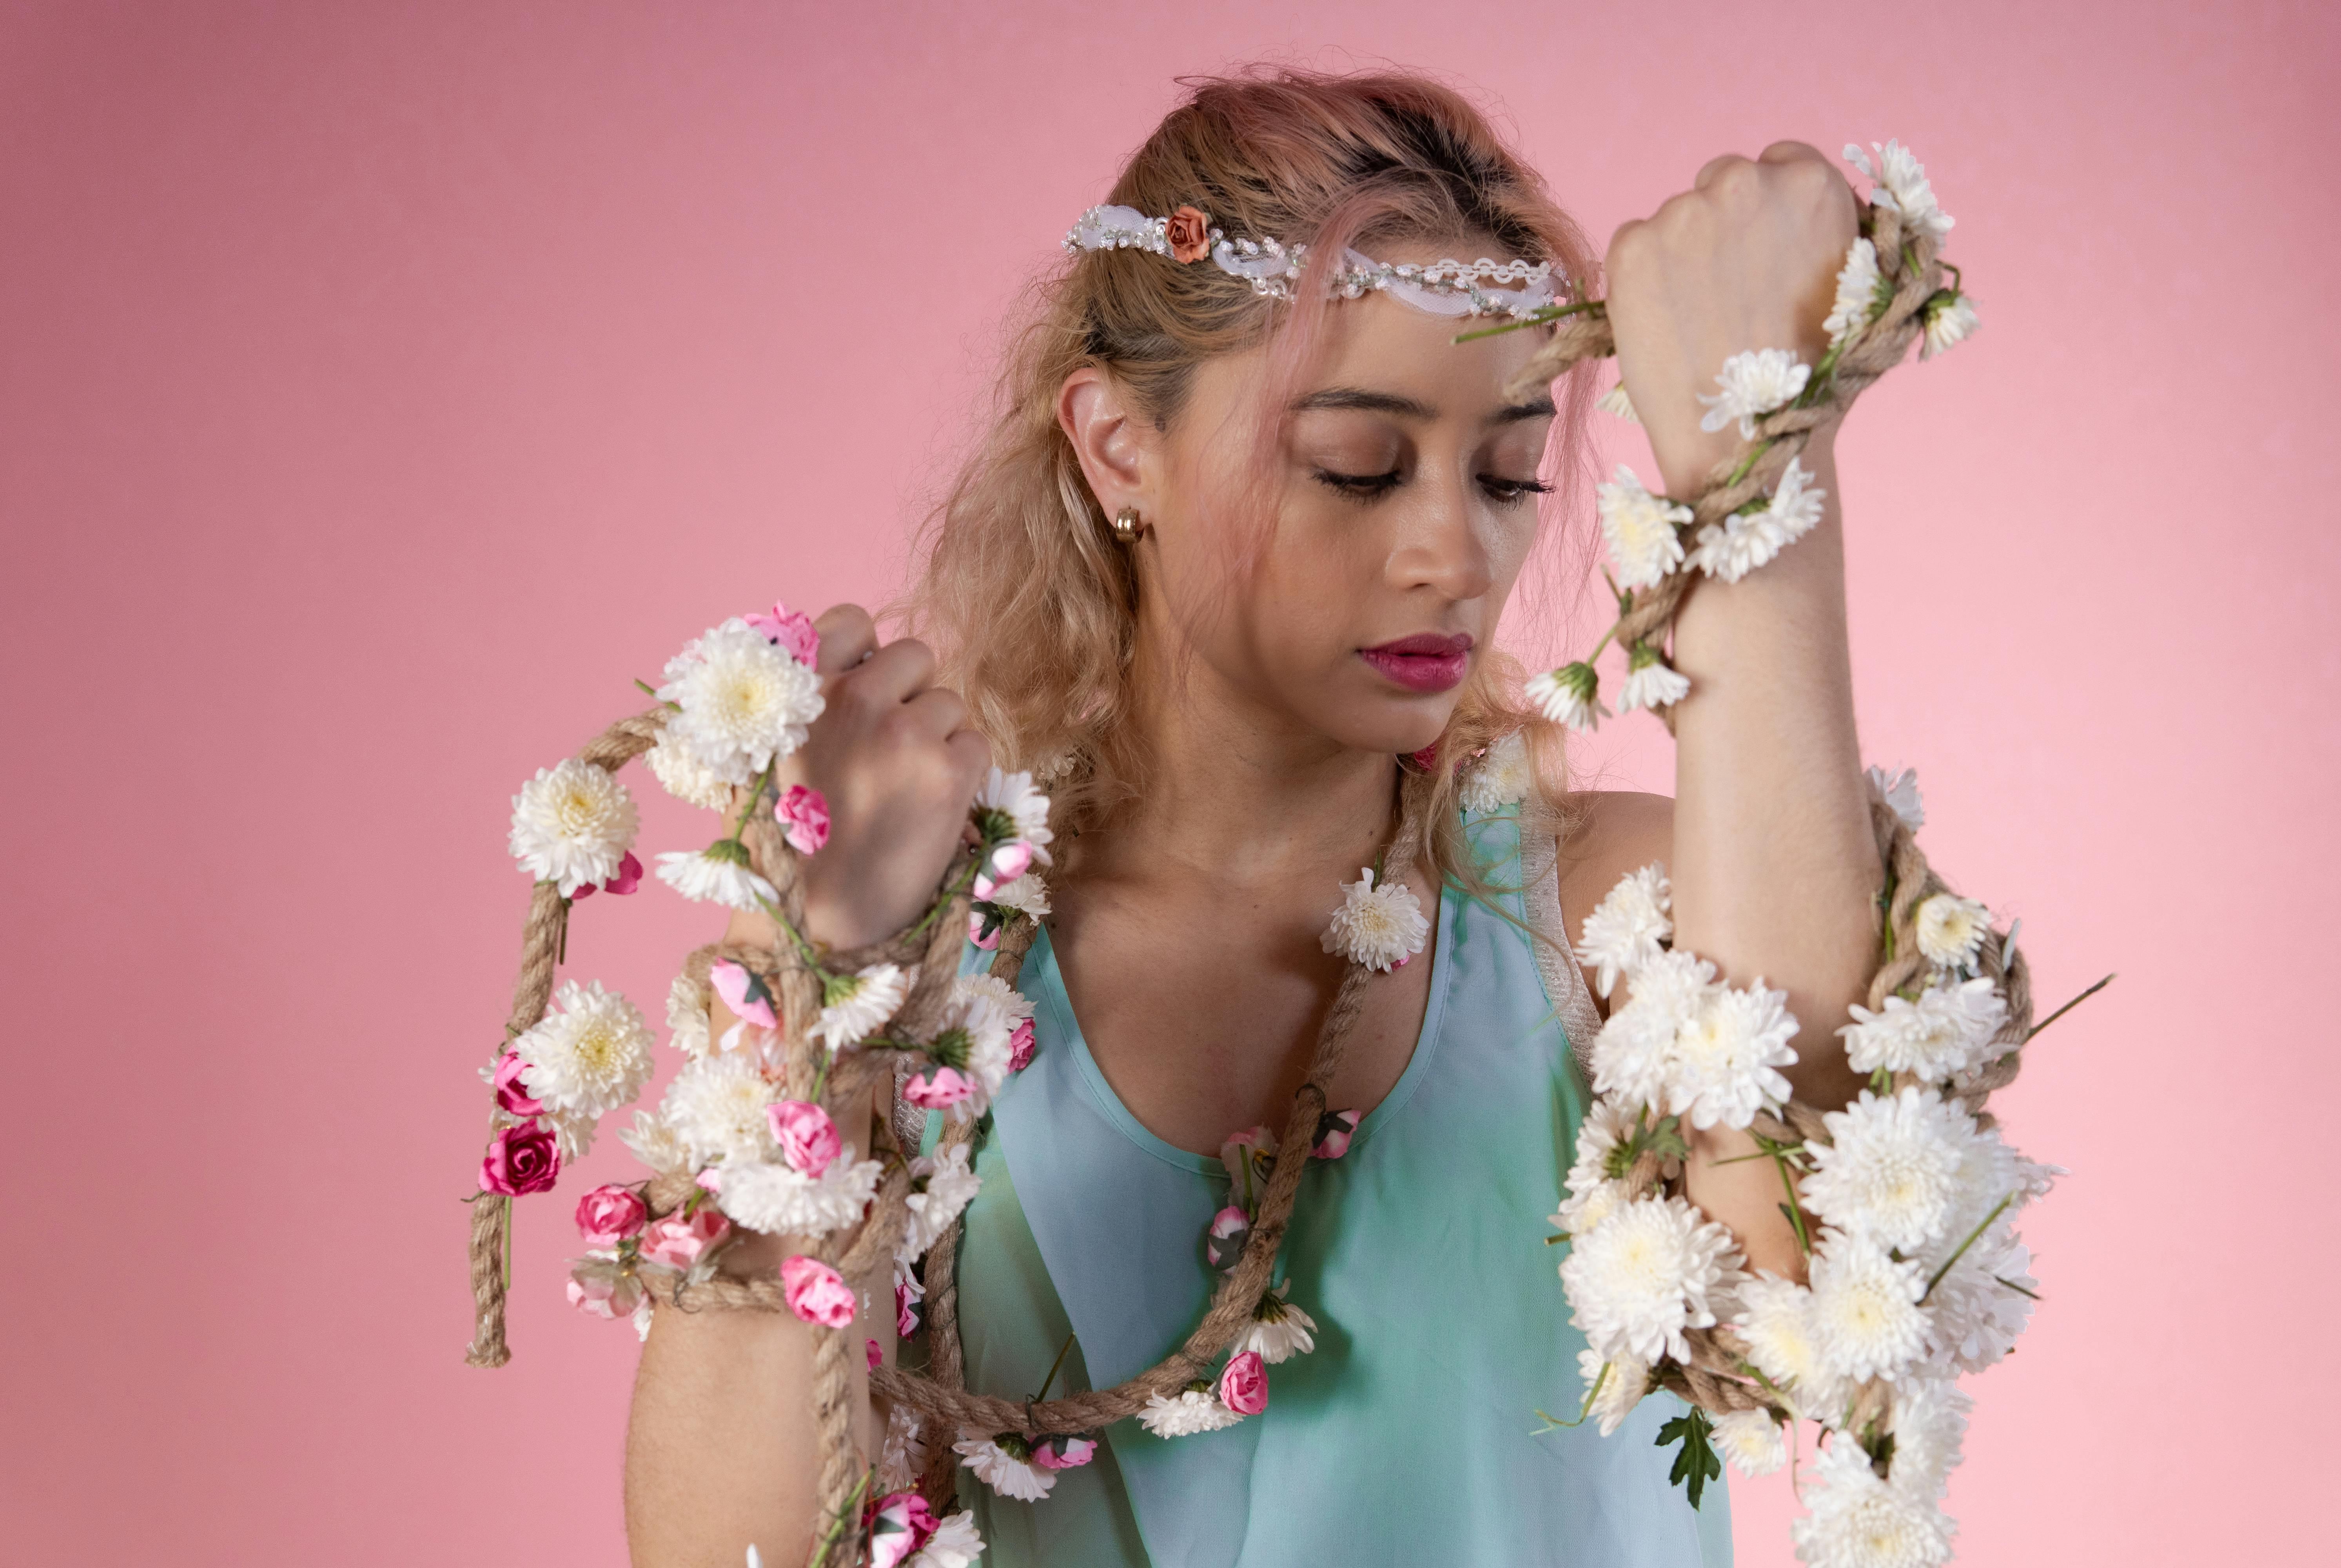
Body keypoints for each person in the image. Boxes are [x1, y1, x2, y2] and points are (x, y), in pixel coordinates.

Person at [624, 67, 1878, 1567]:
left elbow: (1811, 1282)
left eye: (1505, 474)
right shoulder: (929, 964)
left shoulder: (1601, 918)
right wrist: (830, 987)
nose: (1451, 554)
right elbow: (720, 1556)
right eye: (1356, 466)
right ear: (1115, 447)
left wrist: (1759, 459)